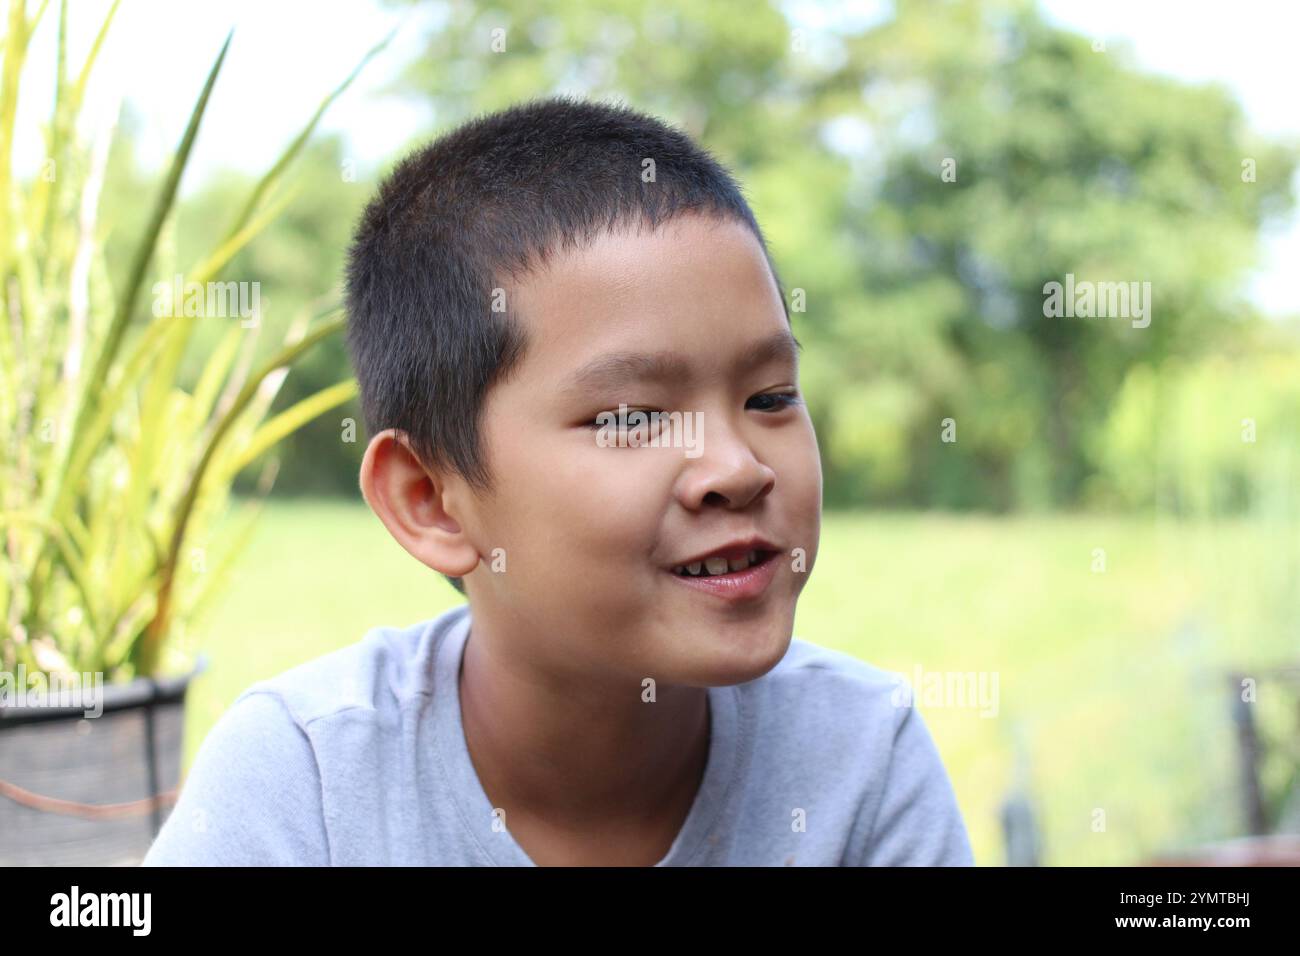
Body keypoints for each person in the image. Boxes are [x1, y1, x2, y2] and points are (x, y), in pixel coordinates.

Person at [142, 95, 974, 866]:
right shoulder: (307, 782)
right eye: (631, 417)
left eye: (770, 397)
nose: (737, 467)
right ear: (429, 499)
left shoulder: (862, 759)